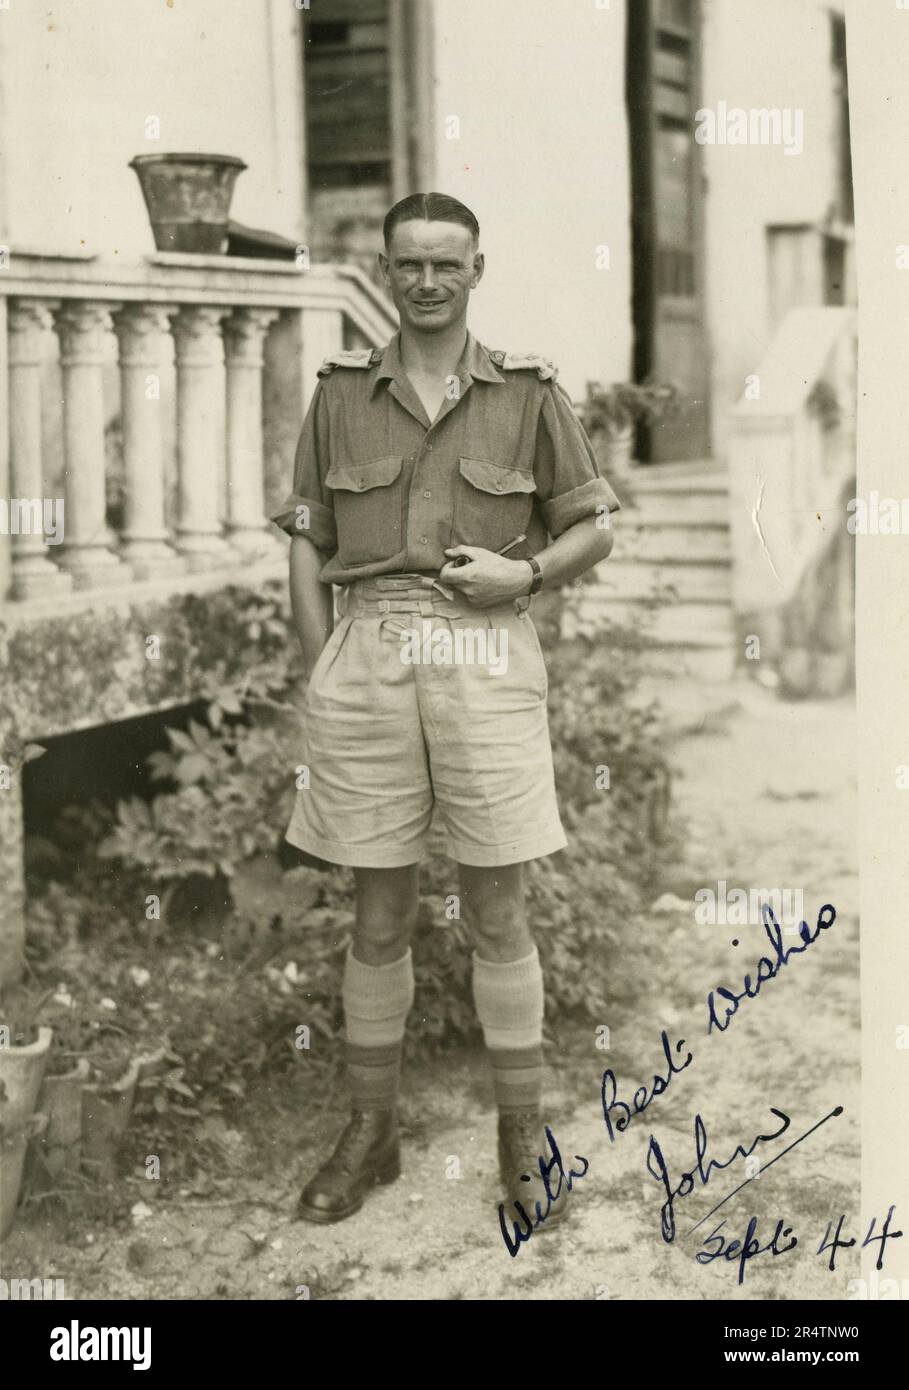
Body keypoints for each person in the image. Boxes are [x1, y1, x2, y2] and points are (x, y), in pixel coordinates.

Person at [269, 191, 620, 1230]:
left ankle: (521, 1133)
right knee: (378, 911)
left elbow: (595, 525)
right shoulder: (339, 395)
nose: (425, 280)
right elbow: (303, 533)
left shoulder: (525, 393)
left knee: (498, 905)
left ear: (477, 269)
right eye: (407, 264)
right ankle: (371, 1130)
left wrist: (528, 580)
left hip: (484, 648)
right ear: (386, 269)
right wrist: (318, 658)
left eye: (445, 264)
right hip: (369, 647)